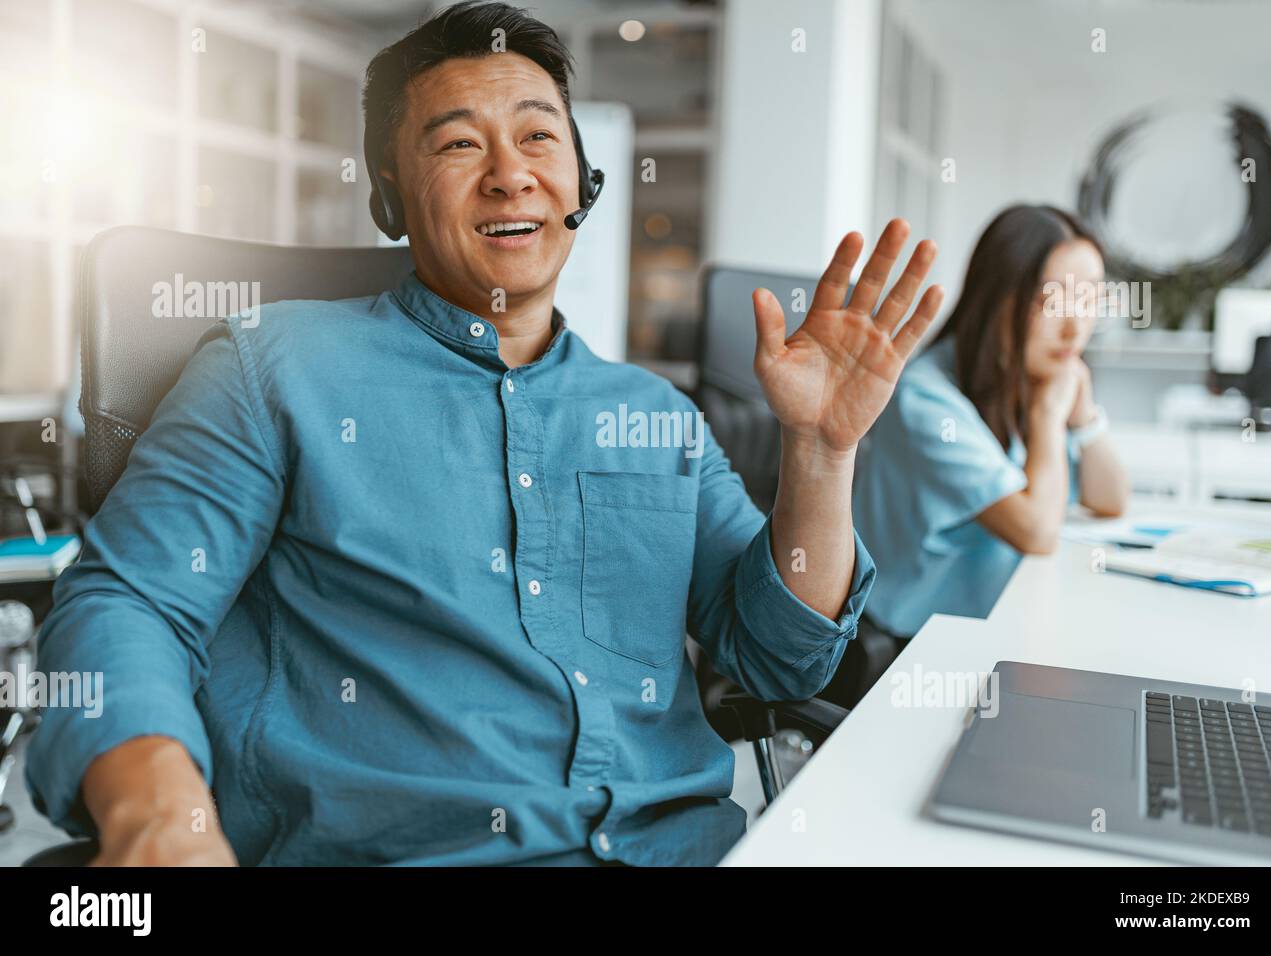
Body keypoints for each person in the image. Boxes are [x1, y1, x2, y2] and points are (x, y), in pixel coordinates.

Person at [25, 1, 943, 866]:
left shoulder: (653, 415)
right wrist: (159, 816)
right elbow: (130, 604)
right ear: (390, 192)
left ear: (582, 180)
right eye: (460, 143)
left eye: (540, 135)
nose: (512, 172)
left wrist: (821, 455)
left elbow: (781, 657)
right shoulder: (276, 369)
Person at [851, 204, 1128, 644]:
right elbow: (1036, 531)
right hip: (912, 645)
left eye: (1089, 300)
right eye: (1052, 302)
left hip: (1003, 620)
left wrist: (1085, 416)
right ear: (998, 302)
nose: (1076, 328)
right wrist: (1047, 417)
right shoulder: (923, 398)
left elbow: (1111, 498)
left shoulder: (1030, 375)